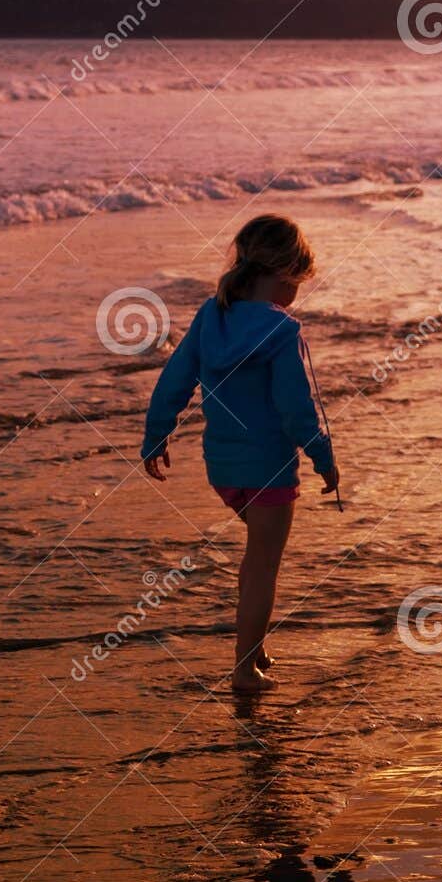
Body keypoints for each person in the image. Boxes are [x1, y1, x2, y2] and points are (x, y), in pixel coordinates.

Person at [141, 214, 340, 692]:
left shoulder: (213, 315)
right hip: (269, 469)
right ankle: (244, 669)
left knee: (255, 560)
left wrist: (156, 435)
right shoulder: (281, 332)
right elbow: (295, 409)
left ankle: (254, 646)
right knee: (262, 568)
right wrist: (323, 456)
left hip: (223, 470)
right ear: (284, 274)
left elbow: (174, 379)